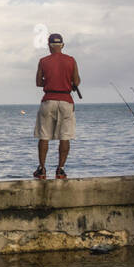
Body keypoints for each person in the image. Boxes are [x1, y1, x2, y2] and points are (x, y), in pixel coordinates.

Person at [33, 33, 79, 179]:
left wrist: (49, 81)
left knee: (44, 136)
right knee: (65, 137)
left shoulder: (43, 61)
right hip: (66, 101)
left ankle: (42, 169)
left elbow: (39, 83)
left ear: (49, 45)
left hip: (48, 100)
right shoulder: (71, 60)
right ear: (62, 45)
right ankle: (60, 169)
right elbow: (76, 82)